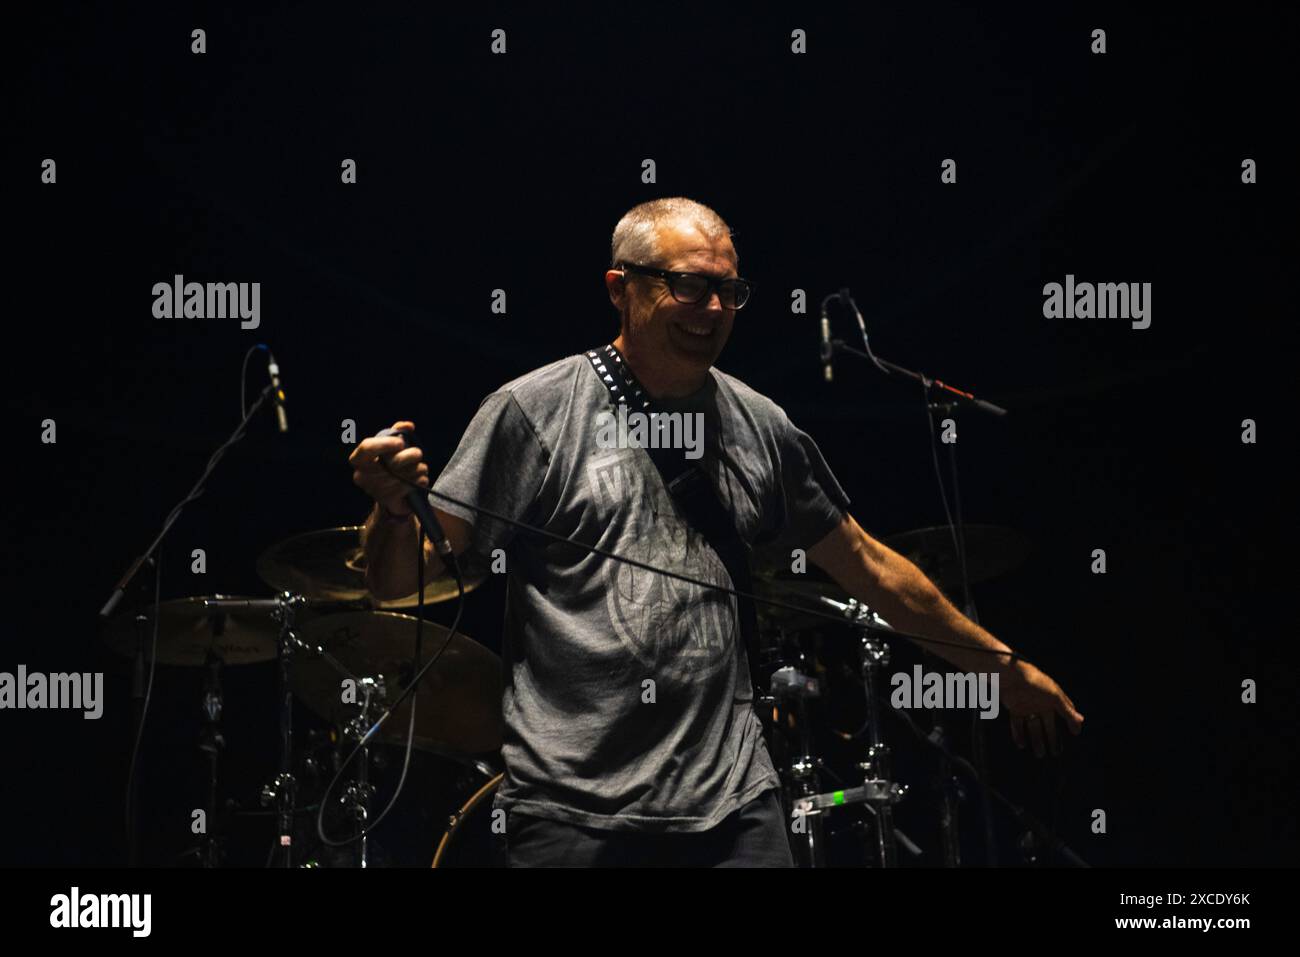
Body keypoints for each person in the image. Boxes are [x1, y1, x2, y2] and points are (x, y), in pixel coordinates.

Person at [348, 197, 1084, 867]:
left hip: (734, 808)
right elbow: (393, 583)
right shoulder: (532, 411)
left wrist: (1000, 666)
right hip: (571, 811)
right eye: (688, 285)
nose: (713, 307)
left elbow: (870, 566)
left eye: (730, 291)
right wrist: (388, 507)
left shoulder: (761, 425)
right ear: (619, 287)